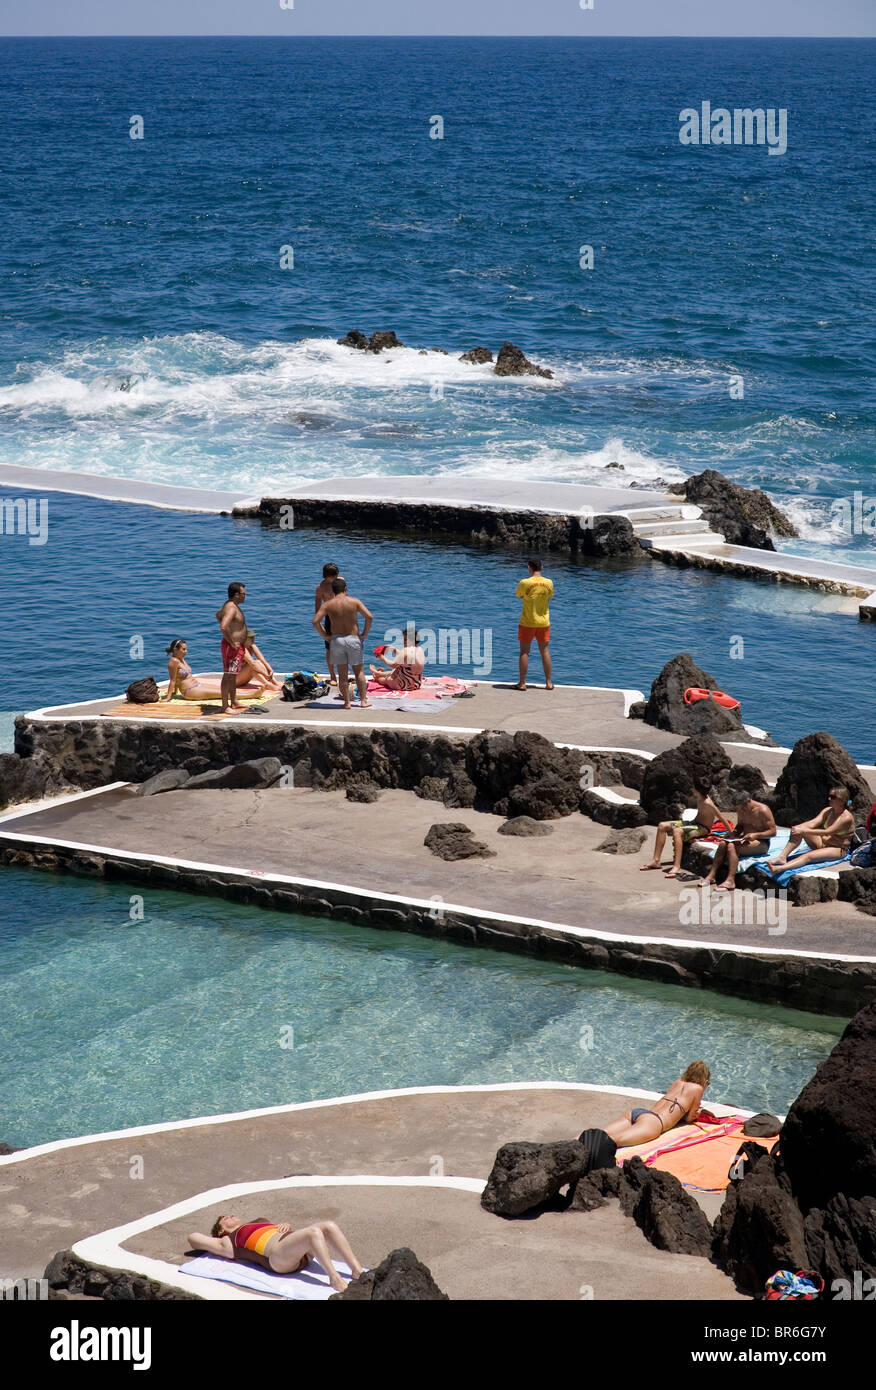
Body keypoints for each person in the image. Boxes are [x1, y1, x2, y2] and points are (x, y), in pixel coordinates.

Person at [186, 1214, 365, 1294]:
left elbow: (279, 1234)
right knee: (313, 1233)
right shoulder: (228, 1242)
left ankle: (357, 1270)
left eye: (231, 1214)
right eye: (224, 1219)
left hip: (293, 1249)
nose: (230, 1216)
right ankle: (334, 1278)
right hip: (278, 1258)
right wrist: (215, 1239)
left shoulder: (259, 1221)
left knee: (328, 1225)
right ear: (221, 1230)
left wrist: (285, 1226)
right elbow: (193, 1238)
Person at [601, 1061, 711, 1148]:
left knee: (599, 1135)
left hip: (639, 1113)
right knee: (612, 1141)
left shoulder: (677, 1082)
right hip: (654, 1122)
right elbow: (690, 1118)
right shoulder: (698, 1088)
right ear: (705, 1081)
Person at [640, 779, 730, 879]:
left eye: (694, 788)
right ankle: (655, 861)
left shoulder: (708, 802)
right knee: (662, 825)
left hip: (702, 828)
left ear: (697, 790)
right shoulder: (699, 797)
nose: (692, 789)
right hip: (693, 823)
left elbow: (721, 817)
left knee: (677, 831)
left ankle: (677, 866)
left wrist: (732, 833)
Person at [699, 789, 777, 892]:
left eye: (743, 807)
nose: (742, 810)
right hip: (745, 840)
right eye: (740, 808)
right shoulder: (741, 809)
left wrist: (756, 835)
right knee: (723, 844)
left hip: (761, 842)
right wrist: (734, 833)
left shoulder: (763, 810)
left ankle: (730, 880)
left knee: (732, 846)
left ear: (748, 802)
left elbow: (773, 832)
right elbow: (740, 825)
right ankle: (711, 875)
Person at [313, 578, 373, 710]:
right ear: (345, 589)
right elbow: (369, 617)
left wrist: (325, 636)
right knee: (359, 672)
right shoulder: (354, 601)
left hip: (337, 640)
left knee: (342, 674)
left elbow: (315, 621)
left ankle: (347, 703)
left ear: (333, 591)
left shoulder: (328, 604)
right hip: (353, 638)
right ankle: (363, 701)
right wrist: (364, 634)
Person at [766, 786, 855, 873]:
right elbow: (812, 823)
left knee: (808, 856)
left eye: (833, 797)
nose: (829, 799)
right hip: (821, 843)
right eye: (829, 796)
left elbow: (828, 831)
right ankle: (782, 857)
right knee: (799, 829)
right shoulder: (828, 811)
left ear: (842, 800)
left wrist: (803, 831)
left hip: (836, 848)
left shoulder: (846, 817)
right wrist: (798, 828)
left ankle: (780, 869)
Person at [163, 639, 263, 702]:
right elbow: (173, 680)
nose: (186, 652)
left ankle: (249, 694)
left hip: (197, 685)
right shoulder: (173, 661)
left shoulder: (181, 659)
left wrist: (175, 691)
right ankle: (251, 695)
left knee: (222, 689)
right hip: (190, 691)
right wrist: (169, 697)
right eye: (183, 649)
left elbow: (177, 678)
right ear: (176, 650)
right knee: (221, 694)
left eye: (186, 649)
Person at [514, 557, 553, 691]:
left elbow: (518, 595)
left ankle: (522, 683)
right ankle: (548, 682)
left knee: (524, 652)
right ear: (541, 568)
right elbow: (550, 596)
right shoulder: (549, 582)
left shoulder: (524, 582)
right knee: (545, 651)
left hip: (527, 622)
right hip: (544, 622)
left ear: (529, 568)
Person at [216, 582, 248, 713]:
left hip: (236, 646)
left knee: (233, 675)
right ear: (236, 595)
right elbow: (223, 626)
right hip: (231, 647)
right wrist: (231, 641)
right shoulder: (231, 608)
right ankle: (225, 706)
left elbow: (218, 615)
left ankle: (234, 701)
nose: (245, 597)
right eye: (243, 594)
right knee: (228, 675)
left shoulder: (230, 605)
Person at [315, 563, 341, 685]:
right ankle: (332, 675)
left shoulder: (340, 582)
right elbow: (317, 611)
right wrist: (322, 631)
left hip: (343, 616)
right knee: (330, 649)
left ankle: (343, 673)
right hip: (330, 619)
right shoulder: (320, 587)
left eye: (337, 575)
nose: (336, 578)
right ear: (327, 575)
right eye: (333, 576)